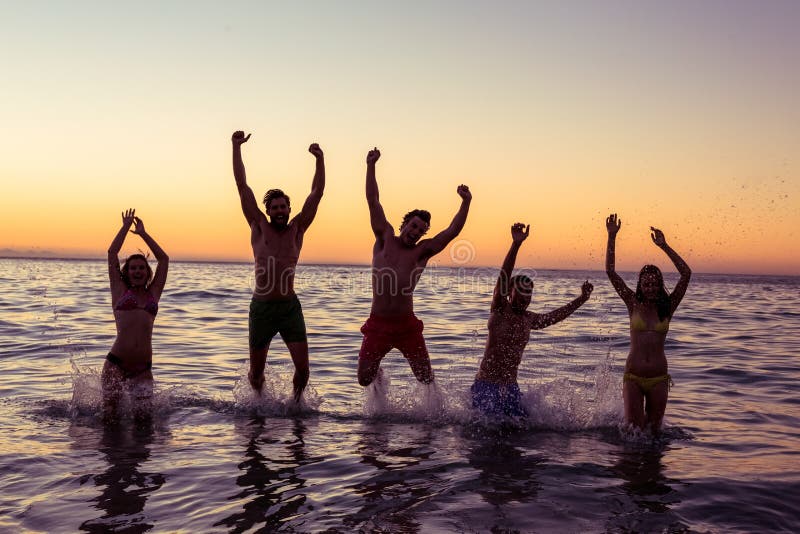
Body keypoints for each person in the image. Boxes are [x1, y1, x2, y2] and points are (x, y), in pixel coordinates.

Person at [358, 147, 471, 388]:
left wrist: (466, 202)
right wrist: (371, 166)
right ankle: (379, 375)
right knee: (364, 380)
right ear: (405, 224)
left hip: (406, 325)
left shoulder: (421, 253)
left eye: (421, 230)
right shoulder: (384, 237)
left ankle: (432, 422)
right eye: (414, 226)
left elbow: (452, 231)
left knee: (426, 380)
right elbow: (373, 201)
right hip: (378, 322)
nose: (416, 232)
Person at [231, 131, 324, 403]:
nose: (280, 211)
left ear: (289, 208)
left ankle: (296, 405)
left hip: (289, 307)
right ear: (268, 211)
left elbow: (317, 193)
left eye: (284, 206)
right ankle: (258, 404)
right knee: (256, 373)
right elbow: (242, 186)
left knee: (304, 370)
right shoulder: (258, 227)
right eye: (275, 207)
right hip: (261, 308)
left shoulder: (298, 229)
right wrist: (236, 147)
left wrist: (320, 160)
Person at [472, 223, 593, 417]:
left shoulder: (528, 319)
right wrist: (516, 244)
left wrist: (581, 299)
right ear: (509, 293)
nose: (525, 299)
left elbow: (555, 317)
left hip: (510, 387)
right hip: (487, 385)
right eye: (520, 293)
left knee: (520, 432)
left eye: (529, 295)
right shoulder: (500, 309)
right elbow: (504, 276)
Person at [605, 213, 691, 434]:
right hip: (633, 377)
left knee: (653, 435)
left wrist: (664, 245)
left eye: (654, 283)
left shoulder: (668, 307)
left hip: (659, 379)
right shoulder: (632, 303)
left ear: (660, 285)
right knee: (633, 432)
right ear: (640, 286)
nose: (650, 287)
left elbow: (686, 273)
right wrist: (612, 236)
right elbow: (611, 272)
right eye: (646, 284)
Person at [104, 209, 169, 421]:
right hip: (117, 364)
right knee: (110, 421)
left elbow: (164, 259)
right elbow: (112, 254)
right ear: (127, 271)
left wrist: (143, 233)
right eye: (133, 268)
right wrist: (124, 227)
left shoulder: (153, 293)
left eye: (142, 268)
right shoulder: (120, 291)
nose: (138, 271)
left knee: (144, 422)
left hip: (143, 368)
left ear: (147, 272)